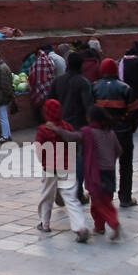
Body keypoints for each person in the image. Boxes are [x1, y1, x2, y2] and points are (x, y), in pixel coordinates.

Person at [34, 99, 90, 242]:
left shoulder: (43, 130)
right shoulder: (67, 126)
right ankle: (80, 227)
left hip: (51, 168)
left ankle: (45, 224)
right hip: (67, 167)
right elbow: (74, 147)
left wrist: (44, 162)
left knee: (47, 196)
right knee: (71, 198)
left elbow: (39, 150)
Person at [92, 59, 138, 207]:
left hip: (102, 134)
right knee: (125, 166)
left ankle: (106, 196)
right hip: (122, 133)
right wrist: (128, 128)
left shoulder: (94, 87)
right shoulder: (126, 88)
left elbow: (90, 111)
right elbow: (134, 114)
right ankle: (125, 197)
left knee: (104, 166)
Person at [52, 52, 93, 203]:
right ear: (81, 65)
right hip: (77, 127)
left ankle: (60, 189)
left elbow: (50, 102)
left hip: (60, 126)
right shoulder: (83, 82)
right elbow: (88, 106)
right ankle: (78, 192)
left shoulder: (58, 81)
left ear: (68, 64)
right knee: (78, 160)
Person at [78, 106, 122, 240]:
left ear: (90, 118)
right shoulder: (111, 133)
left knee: (100, 202)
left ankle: (114, 223)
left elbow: (73, 137)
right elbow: (119, 151)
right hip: (109, 171)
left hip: (97, 173)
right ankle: (99, 227)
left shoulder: (90, 133)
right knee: (102, 200)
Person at [28, 44, 56, 123]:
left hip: (41, 88)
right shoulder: (49, 59)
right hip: (49, 86)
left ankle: (45, 122)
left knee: (43, 108)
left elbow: (35, 76)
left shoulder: (40, 61)